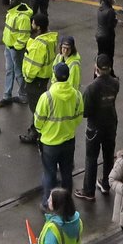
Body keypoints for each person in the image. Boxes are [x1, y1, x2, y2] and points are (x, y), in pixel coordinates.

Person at [34, 61, 84, 195]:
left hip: (50, 143)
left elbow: (38, 121)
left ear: (54, 76)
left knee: (49, 174)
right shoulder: (77, 95)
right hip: (68, 140)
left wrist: (43, 131)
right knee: (67, 174)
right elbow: (79, 117)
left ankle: (48, 204)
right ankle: (66, 205)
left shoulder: (47, 97)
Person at [76, 53, 119, 201]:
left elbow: (85, 111)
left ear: (96, 68)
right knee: (108, 155)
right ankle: (106, 183)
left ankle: (88, 190)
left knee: (91, 157)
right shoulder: (115, 83)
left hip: (95, 127)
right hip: (111, 124)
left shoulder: (91, 88)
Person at [1, 0, 34, 104]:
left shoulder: (22, 17)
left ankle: (23, 95)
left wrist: (16, 48)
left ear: (19, 1)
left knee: (19, 72)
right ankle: (7, 95)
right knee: (10, 70)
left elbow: (23, 36)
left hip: (16, 49)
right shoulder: (12, 12)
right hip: (9, 47)